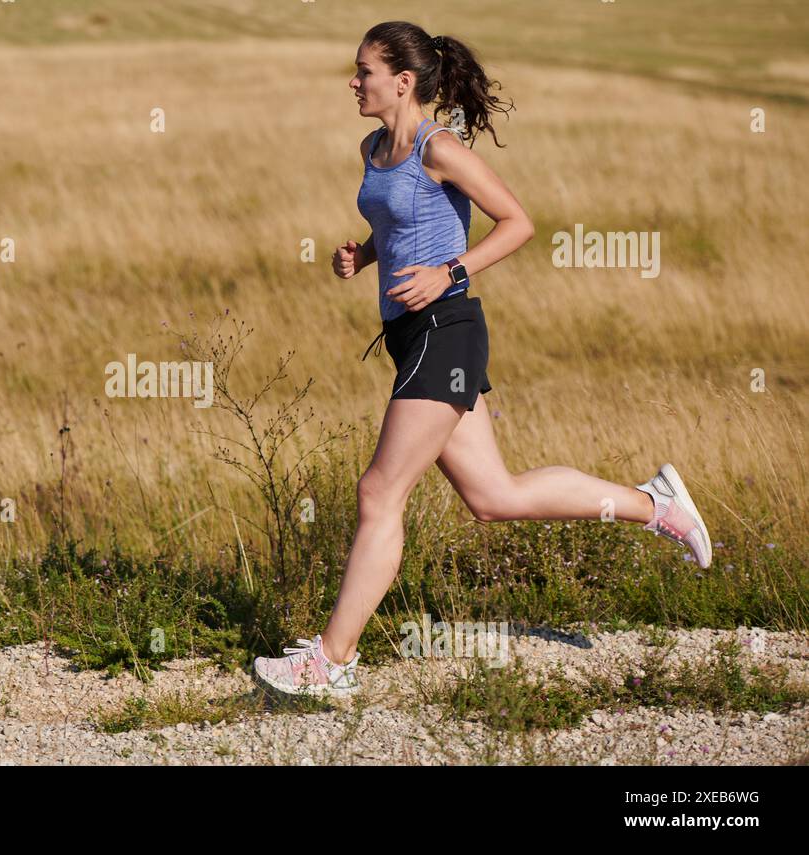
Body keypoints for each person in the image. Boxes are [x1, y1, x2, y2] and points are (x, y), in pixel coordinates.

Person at [252, 21, 712, 698]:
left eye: (364, 71)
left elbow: (518, 221)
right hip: (412, 336)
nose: (353, 82)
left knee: (380, 491)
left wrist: (450, 272)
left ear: (403, 82)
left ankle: (332, 659)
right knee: (494, 496)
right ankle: (654, 504)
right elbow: (401, 222)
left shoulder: (440, 148)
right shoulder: (373, 145)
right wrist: (365, 254)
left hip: (448, 329)